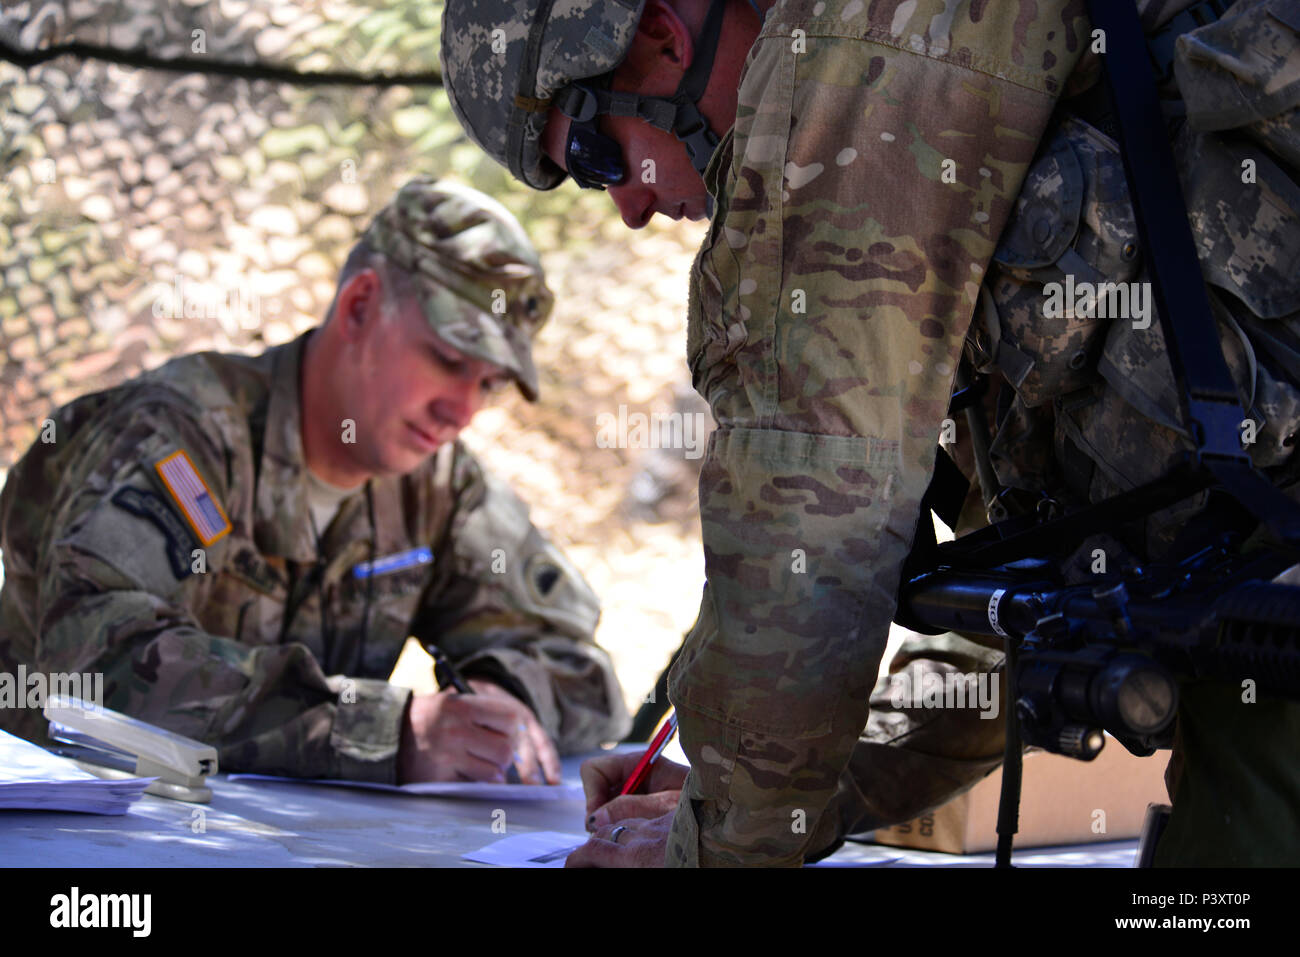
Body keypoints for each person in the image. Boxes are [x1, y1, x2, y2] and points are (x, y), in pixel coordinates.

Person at [440, 0, 1300, 865]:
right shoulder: (956, 98)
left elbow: (807, 522)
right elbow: (1035, 585)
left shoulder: (853, 45)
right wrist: (811, 784)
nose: (625, 207)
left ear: (663, 35)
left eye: (596, 158)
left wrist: (724, 837)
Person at [0, 177, 630, 785]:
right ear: (359, 306)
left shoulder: (438, 484)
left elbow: (583, 669)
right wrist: (384, 731)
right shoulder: (186, 438)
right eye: (448, 359)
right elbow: (95, 669)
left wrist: (502, 702)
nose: (462, 410)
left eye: (489, 383)